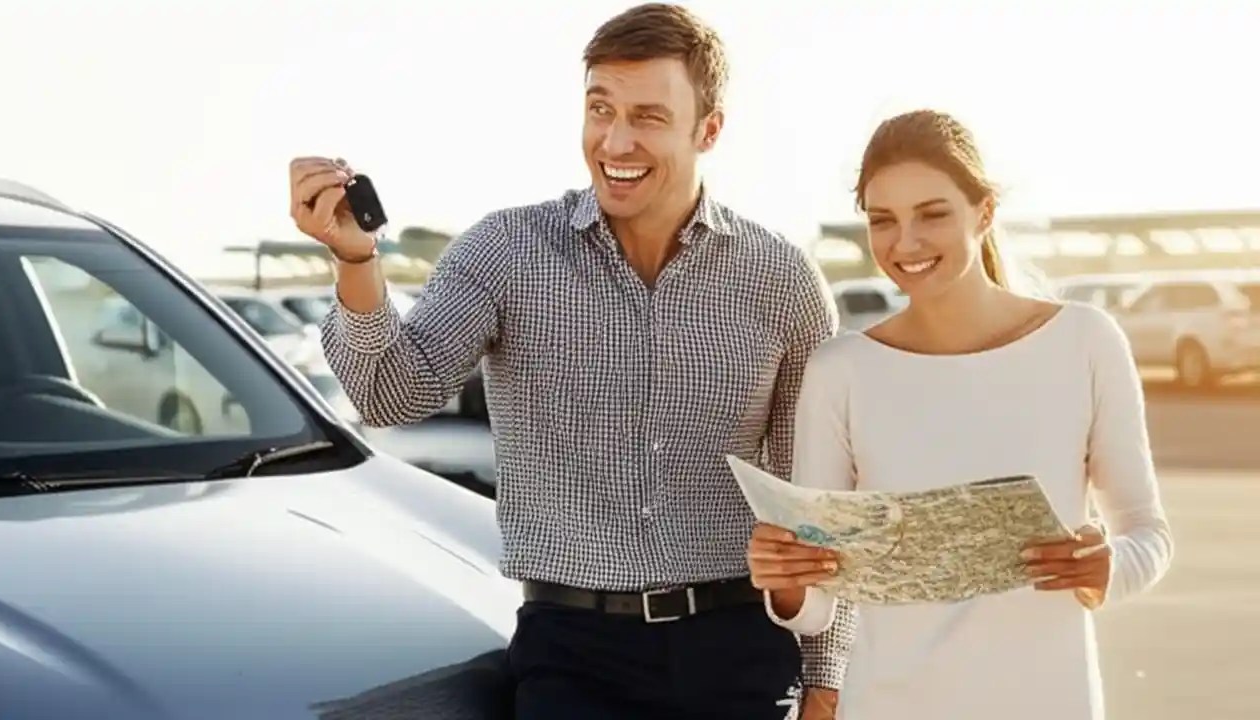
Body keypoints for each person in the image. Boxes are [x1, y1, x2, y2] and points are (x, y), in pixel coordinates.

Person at [287, 4, 853, 718]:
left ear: (708, 130)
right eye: (600, 108)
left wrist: (827, 678)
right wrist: (354, 259)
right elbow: (391, 396)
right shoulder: (508, 251)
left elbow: (820, 505)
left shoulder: (783, 281)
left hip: (742, 651)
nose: (615, 141)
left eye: (648, 116)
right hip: (574, 657)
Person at [745, 109, 1175, 720]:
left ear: (985, 211)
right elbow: (818, 604)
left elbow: (1148, 533)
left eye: (932, 214)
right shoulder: (841, 371)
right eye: (883, 220)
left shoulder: (1085, 342)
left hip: (1048, 701)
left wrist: (1107, 568)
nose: (905, 243)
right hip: (889, 704)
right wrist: (785, 578)